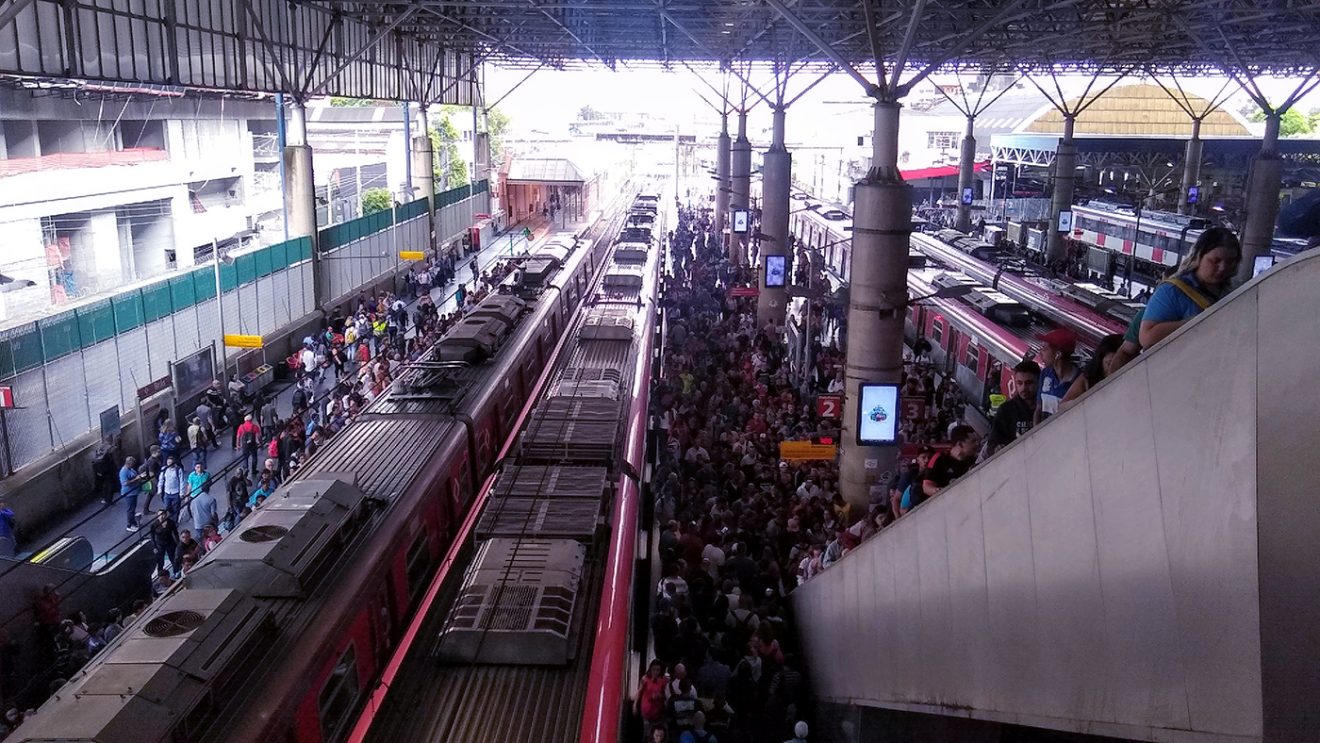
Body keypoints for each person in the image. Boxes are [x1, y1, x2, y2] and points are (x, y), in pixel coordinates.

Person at [1139, 227, 1242, 348]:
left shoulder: (1235, 292)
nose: (1223, 268)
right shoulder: (1172, 291)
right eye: (1215, 261)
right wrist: (1196, 323)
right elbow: (1147, 337)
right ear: (1199, 257)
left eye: (1230, 261)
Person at [984, 360, 1040, 458]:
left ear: (1039, 381)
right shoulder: (1006, 410)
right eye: (1019, 383)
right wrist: (996, 448)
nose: (1023, 388)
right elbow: (992, 443)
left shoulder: (1046, 408)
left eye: (1029, 383)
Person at [914, 425, 980, 504]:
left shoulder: (975, 460)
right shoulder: (940, 459)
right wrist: (941, 492)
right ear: (960, 444)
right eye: (973, 441)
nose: (977, 444)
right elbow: (927, 487)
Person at [1060, 333, 1124, 411]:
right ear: (1100, 362)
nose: (1113, 367)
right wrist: (1082, 404)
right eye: (1109, 363)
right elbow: (1063, 405)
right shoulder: (1088, 377)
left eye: (1119, 362)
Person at [1035, 328, 1079, 423]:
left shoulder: (1078, 380)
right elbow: (1039, 409)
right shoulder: (1045, 374)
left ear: (1058, 354)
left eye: (1045, 349)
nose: (1040, 353)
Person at [635, 659, 670, 740]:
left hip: (658, 712)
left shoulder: (664, 680)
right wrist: (634, 705)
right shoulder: (645, 679)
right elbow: (639, 692)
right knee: (647, 733)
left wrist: (660, 696)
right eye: (653, 669)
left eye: (658, 670)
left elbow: (667, 695)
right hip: (646, 711)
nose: (655, 672)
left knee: (660, 733)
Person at [118, 455, 147, 531]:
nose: (133, 465)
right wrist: (136, 479)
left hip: (134, 492)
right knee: (130, 509)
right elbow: (124, 483)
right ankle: (129, 525)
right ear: (128, 464)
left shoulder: (130, 469)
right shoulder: (123, 472)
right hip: (129, 493)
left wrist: (140, 476)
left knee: (133, 508)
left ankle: (133, 522)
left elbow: (135, 476)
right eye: (132, 464)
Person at [157, 455, 186, 523]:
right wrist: (159, 490)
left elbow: (182, 481)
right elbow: (161, 480)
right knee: (167, 507)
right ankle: (170, 518)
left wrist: (181, 493)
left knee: (176, 508)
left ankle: (174, 522)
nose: (169, 464)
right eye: (168, 462)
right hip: (167, 492)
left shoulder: (178, 469)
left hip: (176, 492)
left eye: (170, 463)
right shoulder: (164, 469)